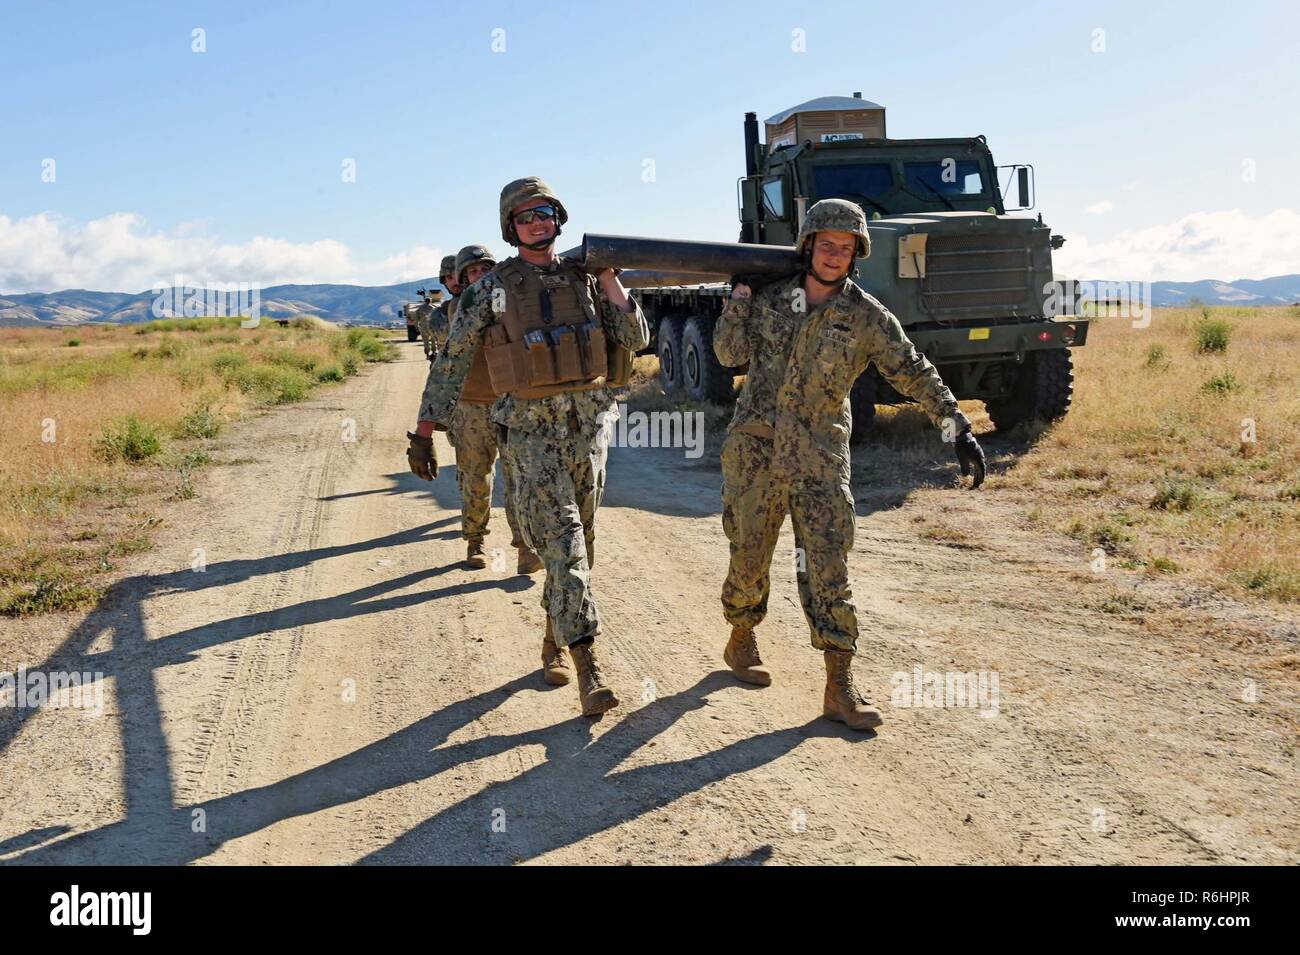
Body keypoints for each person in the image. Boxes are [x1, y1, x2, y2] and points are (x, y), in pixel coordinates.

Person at [714, 198, 986, 731]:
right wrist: (740, 297)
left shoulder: (866, 317)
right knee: (749, 555)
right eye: (826, 244)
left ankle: (839, 685)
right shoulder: (770, 298)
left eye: (845, 247)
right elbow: (727, 354)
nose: (835, 255)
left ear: (856, 253)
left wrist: (956, 425)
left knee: (829, 566)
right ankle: (742, 635)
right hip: (755, 453)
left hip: (820, 458)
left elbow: (911, 369)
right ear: (808, 246)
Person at [407, 177, 649, 716]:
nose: (537, 223)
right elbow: (452, 361)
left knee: (580, 547)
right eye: (525, 217)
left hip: (588, 432)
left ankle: (552, 639)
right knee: (564, 548)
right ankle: (589, 667)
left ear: (558, 219)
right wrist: (423, 432)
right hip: (530, 437)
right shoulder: (491, 289)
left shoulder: (585, 278)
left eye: (545, 213)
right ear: (510, 228)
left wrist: (609, 277)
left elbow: (636, 340)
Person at [442, 242, 543, 575]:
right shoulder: (459, 307)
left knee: (519, 479)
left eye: (486, 269)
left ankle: (525, 546)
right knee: (475, 478)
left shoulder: (510, 302)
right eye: (473, 272)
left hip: (511, 403)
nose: (481, 275)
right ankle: (475, 542)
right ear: (463, 279)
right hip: (472, 406)